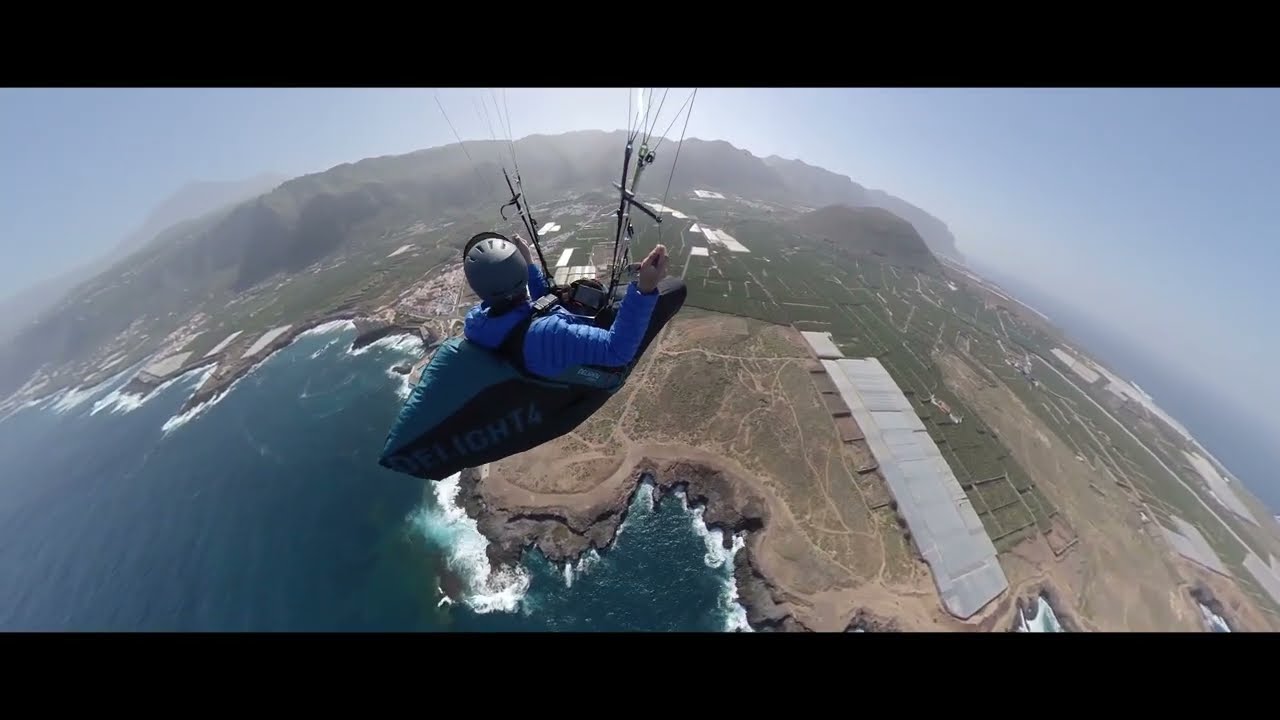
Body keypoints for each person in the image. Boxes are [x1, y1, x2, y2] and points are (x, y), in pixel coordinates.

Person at [461, 232, 685, 382]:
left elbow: (526, 318)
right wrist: (644, 290)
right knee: (673, 289)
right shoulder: (550, 333)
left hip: (535, 359)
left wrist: (529, 263)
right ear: (519, 275)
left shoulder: (479, 322)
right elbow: (616, 351)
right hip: (586, 374)